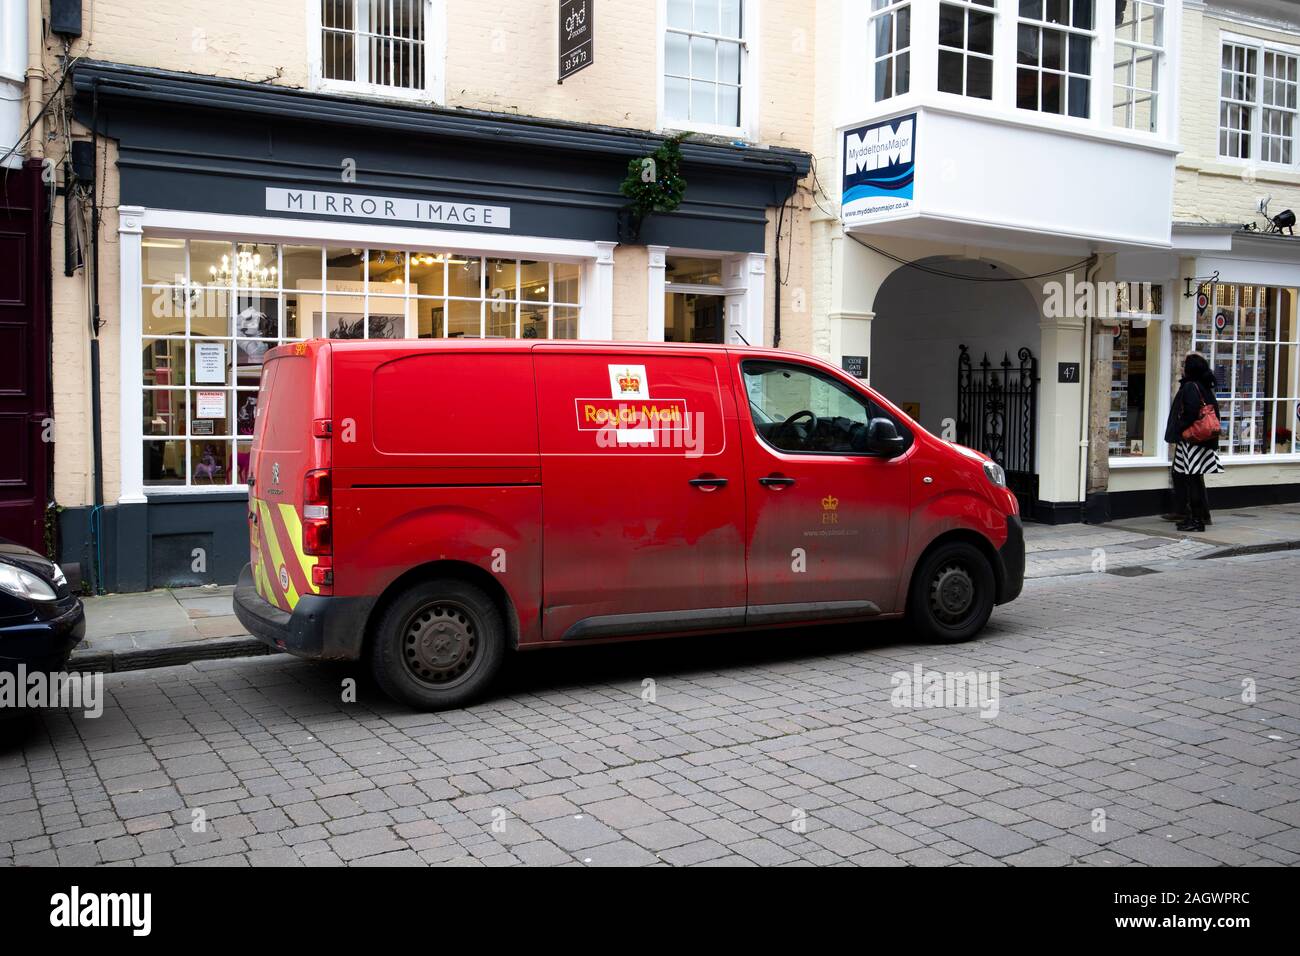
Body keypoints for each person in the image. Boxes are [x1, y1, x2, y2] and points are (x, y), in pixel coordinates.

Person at [1164, 352, 1222, 532]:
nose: (1181, 368)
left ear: (1190, 369)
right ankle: (1197, 517)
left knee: (1192, 480)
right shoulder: (1204, 386)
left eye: (1184, 366)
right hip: (1203, 440)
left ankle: (1196, 520)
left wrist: (1180, 429)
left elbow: (1190, 413)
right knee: (1193, 479)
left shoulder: (1191, 386)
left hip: (1192, 441)